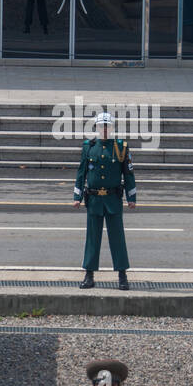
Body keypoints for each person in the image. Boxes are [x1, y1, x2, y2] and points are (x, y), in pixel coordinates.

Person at [74, 111, 136, 289]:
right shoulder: (89, 147)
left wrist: (131, 197)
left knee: (117, 238)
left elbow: (128, 173)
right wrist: (77, 196)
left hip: (113, 198)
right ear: (97, 128)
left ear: (113, 128)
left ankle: (122, 275)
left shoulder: (120, 146)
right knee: (92, 238)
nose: (105, 129)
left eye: (108, 126)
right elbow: (81, 173)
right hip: (94, 199)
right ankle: (89, 274)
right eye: (102, 126)